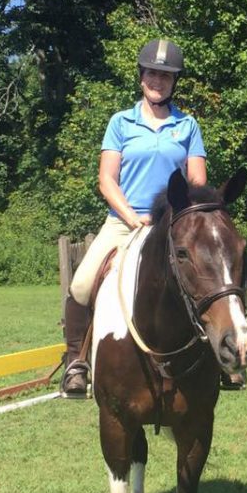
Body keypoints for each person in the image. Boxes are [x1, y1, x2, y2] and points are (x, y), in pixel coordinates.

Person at [60, 38, 208, 397]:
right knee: (81, 283)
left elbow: (198, 180)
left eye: (166, 76)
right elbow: (107, 179)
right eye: (152, 74)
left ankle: (225, 359)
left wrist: (184, 216)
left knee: (212, 275)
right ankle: (76, 362)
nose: (158, 81)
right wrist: (130, 217)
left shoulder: (187, 126)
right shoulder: (120, 123)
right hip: (123, 221)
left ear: (174, 83)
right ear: (142, 77)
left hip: (172, 224)